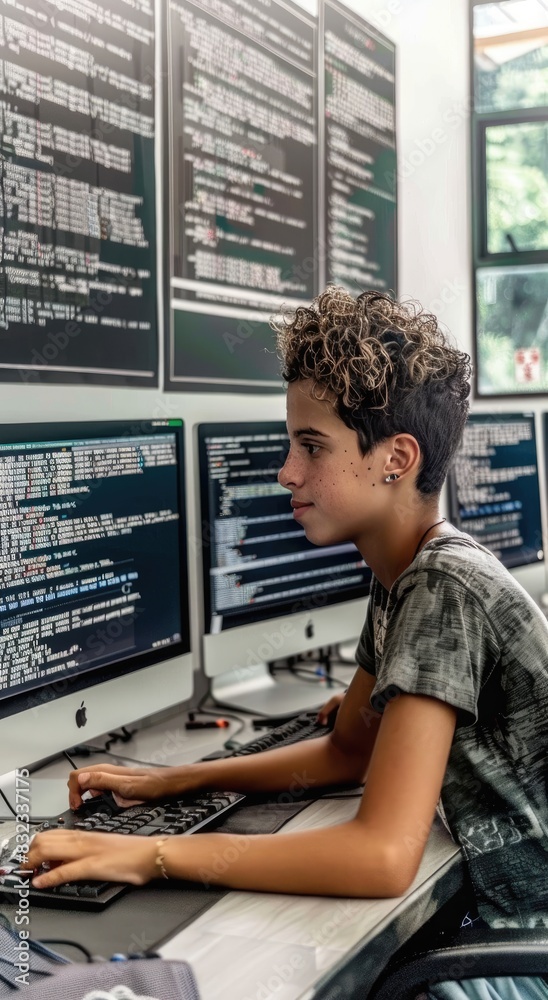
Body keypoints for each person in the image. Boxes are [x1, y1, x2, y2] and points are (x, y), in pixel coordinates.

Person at [27, 288, 548, 999]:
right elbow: (349, 750)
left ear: (396, 457)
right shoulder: (404, 571)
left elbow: (383, 856)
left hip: (523, 950)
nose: (286, 473)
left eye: (311, 446)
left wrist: (148, 856)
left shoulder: (442, 586)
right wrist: (174, 781)